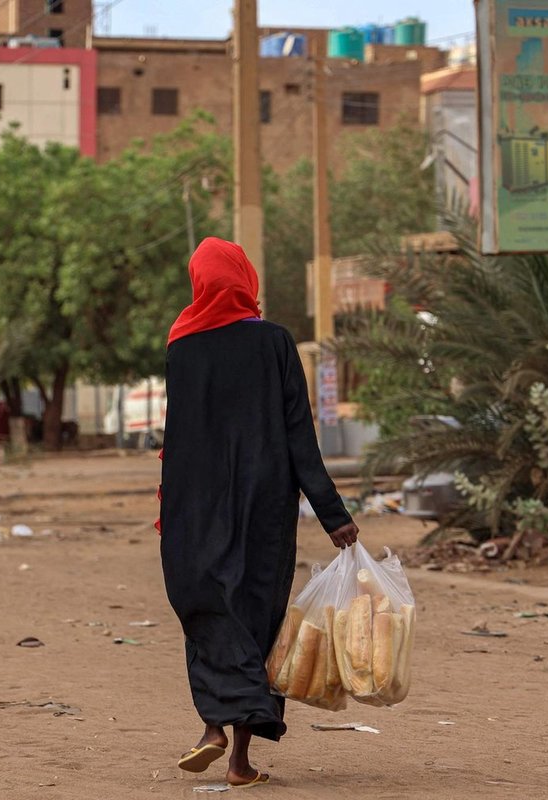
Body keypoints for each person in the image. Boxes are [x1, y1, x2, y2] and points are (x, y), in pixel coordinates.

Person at [158, 238, 359, 788]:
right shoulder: (273, 341)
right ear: (245, 279)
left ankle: (211, 728)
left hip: (194, 503)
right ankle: (239, 761)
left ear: (199, 281)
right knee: (256, 616)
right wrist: (332, 512)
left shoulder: (182, 346)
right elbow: (299, 434)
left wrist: (169, 512)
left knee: (207, 610)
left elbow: (177, 439)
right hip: (264, 505)